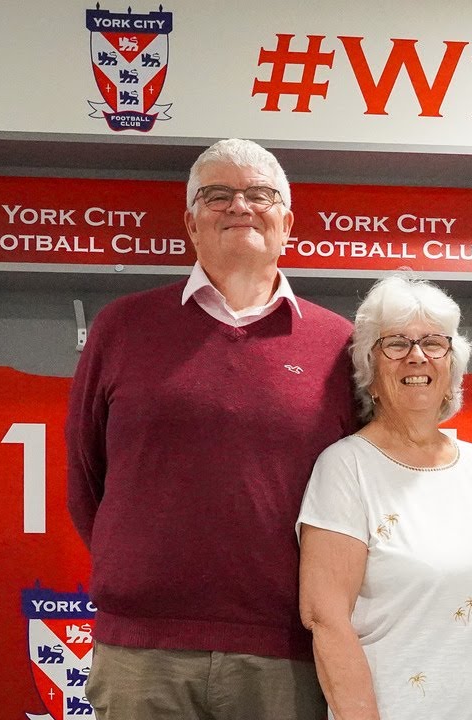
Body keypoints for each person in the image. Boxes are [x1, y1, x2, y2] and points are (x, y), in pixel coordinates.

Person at [66, 138, 358, 719]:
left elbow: (359, 495)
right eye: (217, 195)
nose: (239, 207)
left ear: (287, 223)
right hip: (141, 649)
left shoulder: (339, 345)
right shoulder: (121, 328)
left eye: (259, 194)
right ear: (191, 224)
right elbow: (85, 477)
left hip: (286, 649)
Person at [296, 275, 472, 720]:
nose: (417, 355)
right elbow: (326, 620)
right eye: (396, 343)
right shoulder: (345, 468)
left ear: (452, 366)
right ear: (369, 371)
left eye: (434, 343)